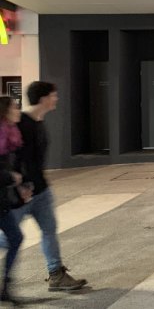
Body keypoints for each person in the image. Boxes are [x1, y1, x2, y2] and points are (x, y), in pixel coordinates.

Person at [1, 82, 87, 291]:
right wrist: (22, 186)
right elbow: (15, 158)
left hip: (41, 190)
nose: (56, 99)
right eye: (53, 95)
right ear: (43, 98)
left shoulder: (38, 121)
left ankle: (56, 274)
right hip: (22, 193)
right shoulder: (22, 123)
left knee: (49, 230)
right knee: (9, 237)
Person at [0, 96, 30, 303]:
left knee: (16, 237)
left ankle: (6, 288)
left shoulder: (11, 134)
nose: (18, 110)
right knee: (15, 237)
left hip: (3, 199)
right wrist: (11, 178)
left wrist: (19, 184)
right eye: (14, 107)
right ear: (4, 111)